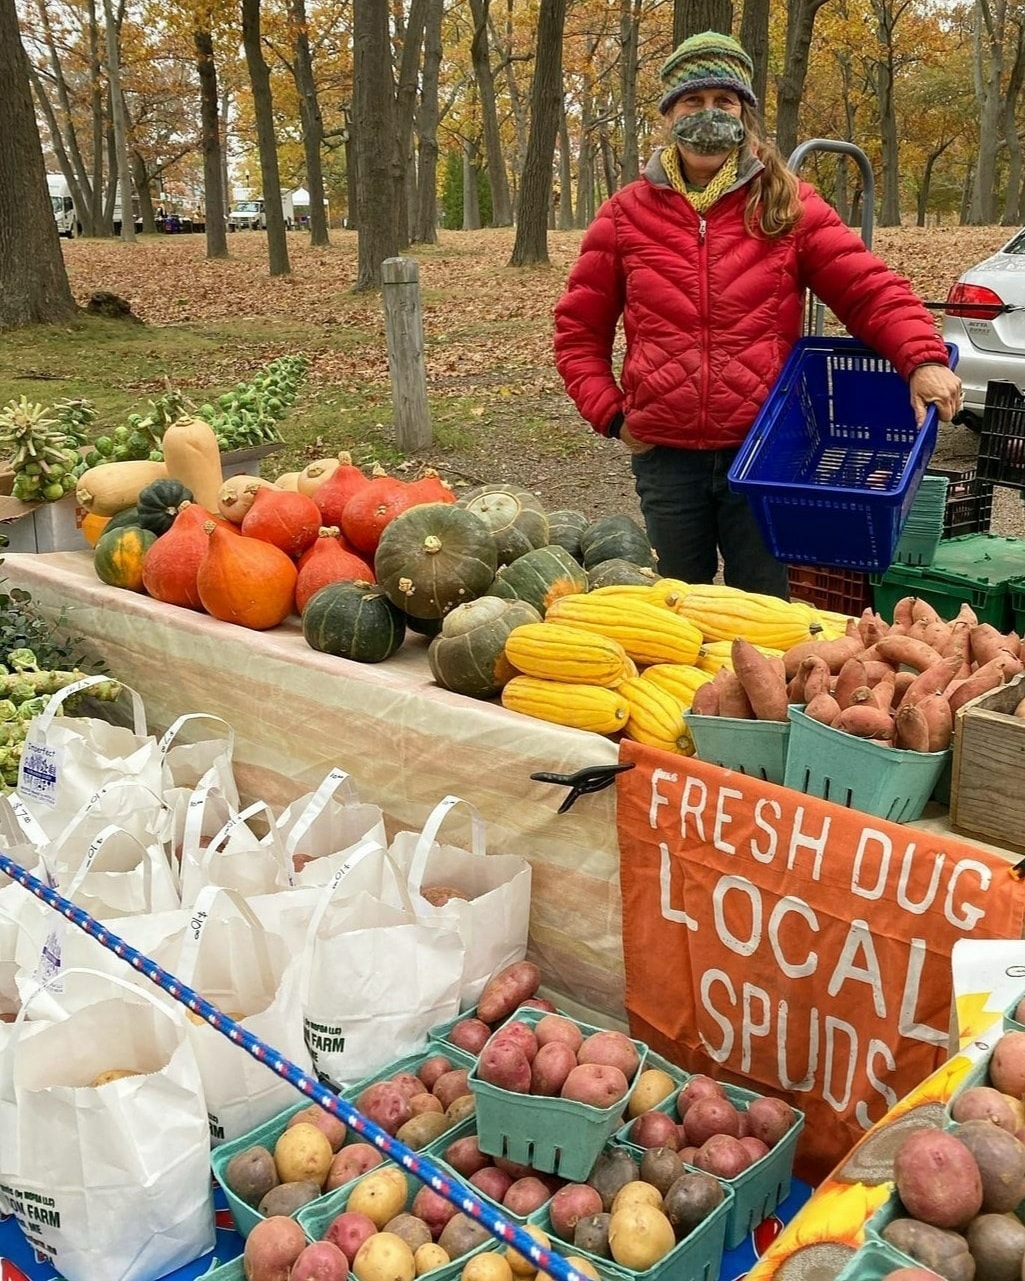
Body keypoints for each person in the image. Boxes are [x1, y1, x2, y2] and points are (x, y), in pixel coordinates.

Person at [553, 30, 962, 597]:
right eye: (693, 102)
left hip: (763, 453)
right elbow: (578, 331)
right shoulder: (625, 215)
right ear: (669, 114)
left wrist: (921, 358)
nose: (708, 114)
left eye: (723, 102)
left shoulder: (788, 204)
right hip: (665, 457)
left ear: (744, 113)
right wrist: (615, 417)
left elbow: (867, 288)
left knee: (760, 608)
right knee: (676, 604)